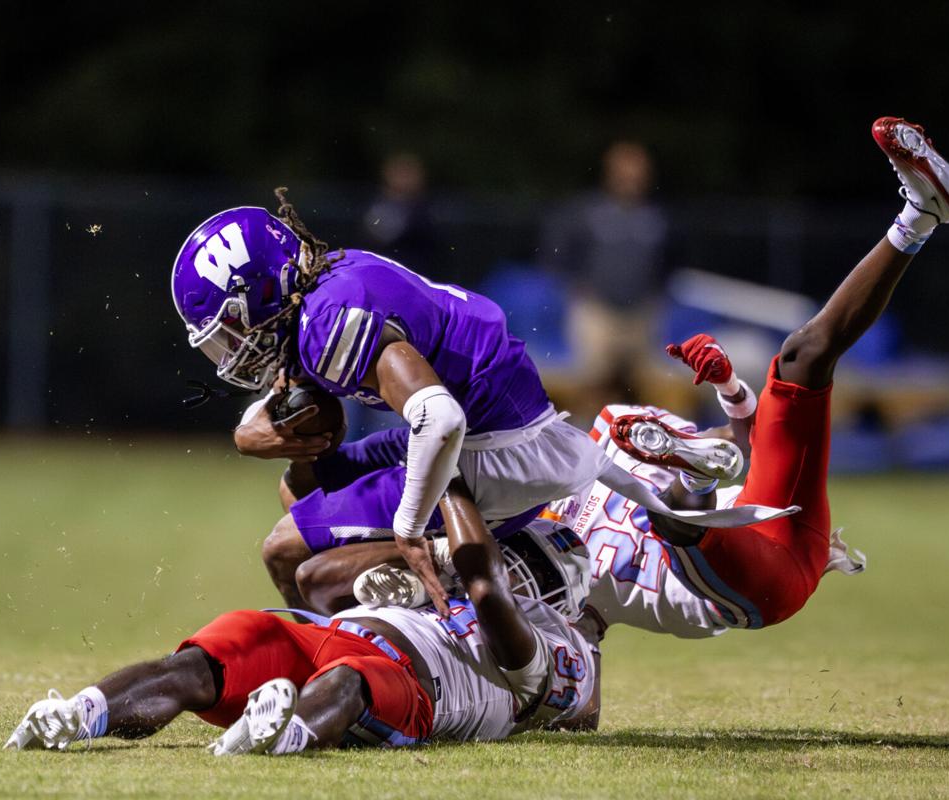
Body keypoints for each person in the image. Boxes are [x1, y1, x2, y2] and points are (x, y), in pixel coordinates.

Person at [609, 116, 949, 628]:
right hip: (749, 585)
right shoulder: (538, 528)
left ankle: (924, 213)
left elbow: (742, 447)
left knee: (800, 357)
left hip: (775, 512)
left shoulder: (595, 438)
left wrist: (730, 389)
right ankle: (689, 476)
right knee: (673, 521)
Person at [170, 190, 617, 614]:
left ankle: (452, 560)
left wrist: (409, 528)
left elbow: (440, 418)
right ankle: (414, 580)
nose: (233, 349)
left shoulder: (327, 325)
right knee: (301, 489)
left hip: (498, 456)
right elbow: (285, 411)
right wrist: (248, 433)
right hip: (491, 432)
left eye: (232, 329)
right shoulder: (321, 288)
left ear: (264, 292)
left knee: (285, 552)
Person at [4, 482, 599, 754]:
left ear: (561, 599)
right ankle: (82, 713)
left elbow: (490, 592)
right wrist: (429, 553)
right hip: (327, 639)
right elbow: (317, 579)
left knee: (348, 685)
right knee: (220, 646)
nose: (517, 569)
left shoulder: (559, 647)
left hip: (418, 686)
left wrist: (451, 475)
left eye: (535, 571)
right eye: (514, 552)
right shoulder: (444, 572)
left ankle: (281, 735)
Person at [540, 140, 685, 419]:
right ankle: (587, 440)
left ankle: (644, 445)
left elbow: (672, 262)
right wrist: (578, 288)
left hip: (642, 312)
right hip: (598, 311)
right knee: (593, 380)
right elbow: (559, 253)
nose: (631, 179)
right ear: (610, 173)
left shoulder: (656, 217)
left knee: (645, 384)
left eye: (637, 172)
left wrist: (658, 294)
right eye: (625, 172)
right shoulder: (588, 213)